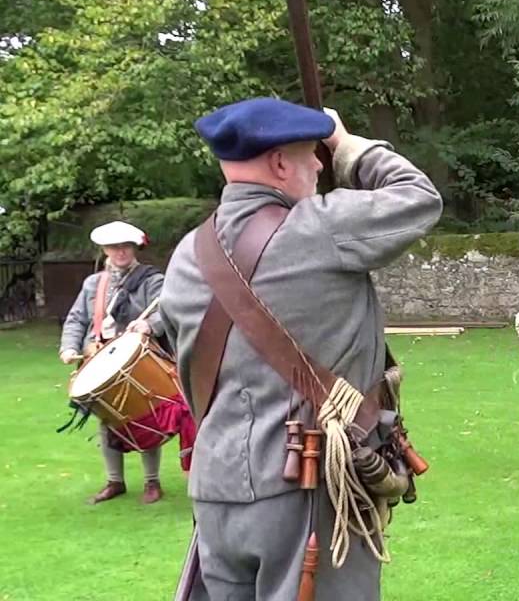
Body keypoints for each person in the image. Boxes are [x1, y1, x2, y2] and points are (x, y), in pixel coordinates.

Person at [158, 98, 442, 599]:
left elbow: (190, 375)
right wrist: (346, 143)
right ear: (279, 163)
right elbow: (419, 196)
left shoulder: (187, 253)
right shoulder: (320, 226)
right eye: (312, 153)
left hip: (216, 488)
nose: (319, 164)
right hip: (305, 486)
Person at [59, 221, 169, 504]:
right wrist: (70, 347)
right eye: (113, 247)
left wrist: (149, 326)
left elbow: (169, 309)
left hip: (135, 356)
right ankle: (114, 481)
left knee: (144, 417)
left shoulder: (150, 280)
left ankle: (151, 482)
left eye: (125, 246)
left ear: (134, 248)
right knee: (107, 419)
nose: (120, 252)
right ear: (105, 250)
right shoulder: (94, 283)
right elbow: (77, 318)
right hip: (97, 355)